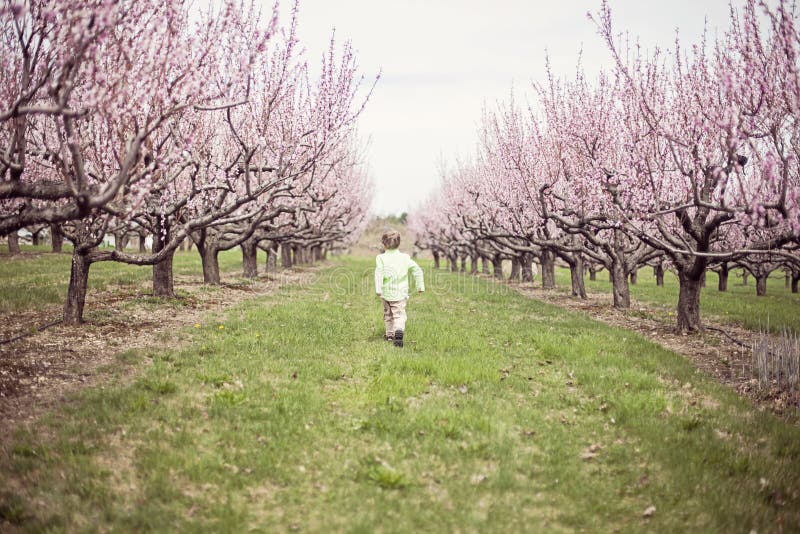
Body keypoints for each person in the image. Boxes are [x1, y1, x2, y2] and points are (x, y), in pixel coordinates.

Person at [374, 230, 424, 347]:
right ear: (399, 244)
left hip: (385, 294)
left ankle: (390, 334)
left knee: (388, 314)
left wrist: (378, 289)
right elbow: (417, 270)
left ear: (384, 244)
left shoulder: (381, 258)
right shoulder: (405, 258)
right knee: (399, 314)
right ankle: (398, 331)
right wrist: (420, 286)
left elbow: (379, 273)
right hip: (400, 294)